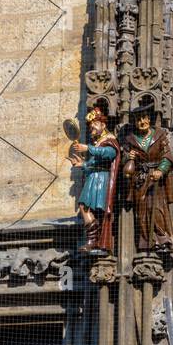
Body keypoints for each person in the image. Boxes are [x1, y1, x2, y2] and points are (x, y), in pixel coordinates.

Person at [69, 101, 120, 255]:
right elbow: (93, 162)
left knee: (94, 209)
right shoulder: (98, 143)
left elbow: (110, 154)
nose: (92, 129)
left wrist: (88, 148)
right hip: (93, 178)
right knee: (85, 207)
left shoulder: (109, 140)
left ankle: (96, 241)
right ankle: (93, 239)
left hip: (102, 179)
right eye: (90, 127)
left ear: (103, 125)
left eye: (94, 126)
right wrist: (82, 165)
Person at [122, 103, 173, 252]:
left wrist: (160, 170)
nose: (142, 122)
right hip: (140, 178)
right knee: (142, 211)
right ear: (134, 122)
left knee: (157, 208)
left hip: (156, 178)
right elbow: (125, 164)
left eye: (144, 118)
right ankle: (148, 241)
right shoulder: (130, 139)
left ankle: (163, 239)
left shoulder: (159, 135)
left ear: (149, 119)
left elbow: (167, 156)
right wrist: (128, 157)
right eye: (138, 120)